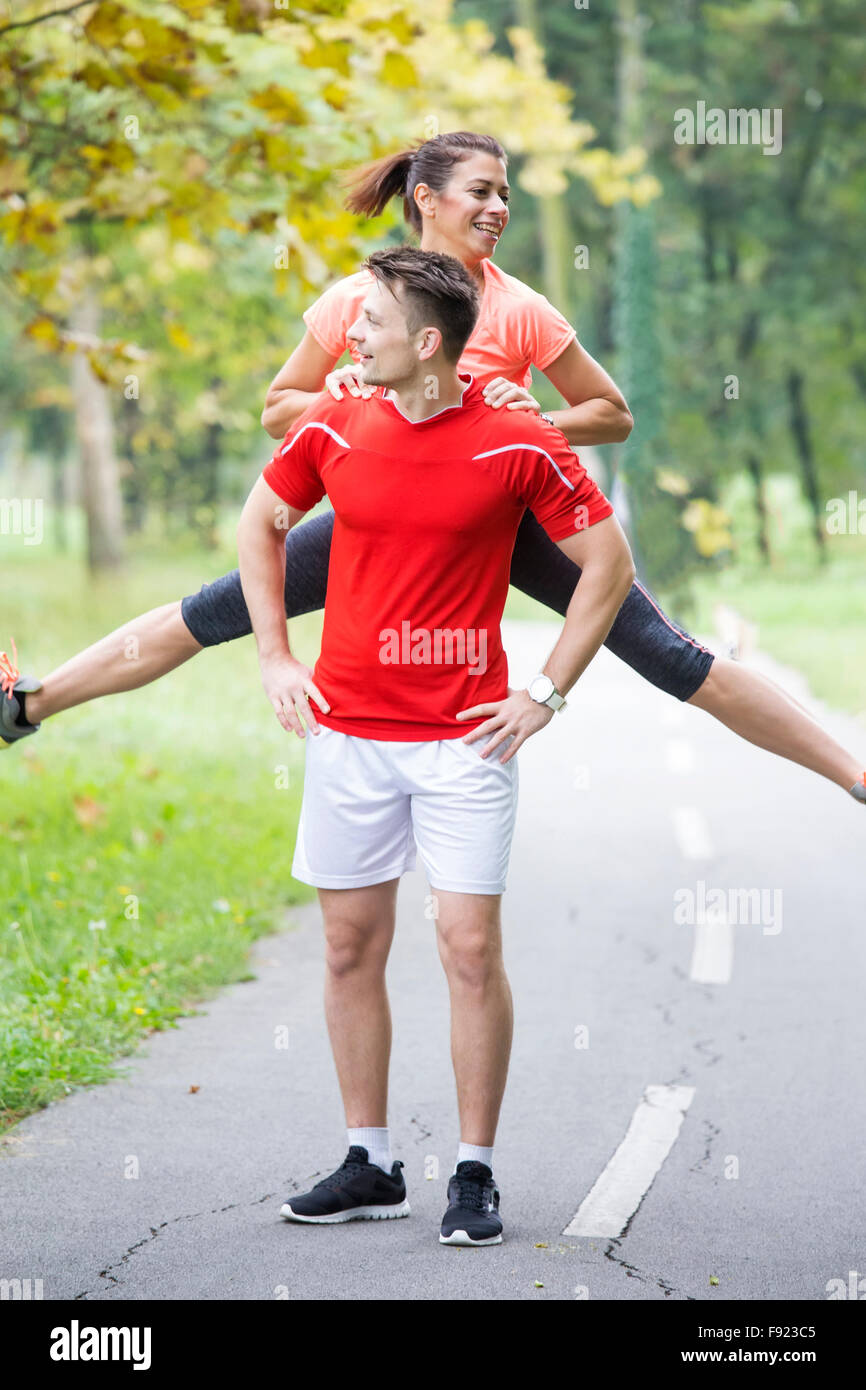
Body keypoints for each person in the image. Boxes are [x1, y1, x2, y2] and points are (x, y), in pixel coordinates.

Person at [2, 128, 863, 812]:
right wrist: (337, 394)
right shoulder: (359, 299)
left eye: (506, 196)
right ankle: (27, 705)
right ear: (428, 199)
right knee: (214, 611)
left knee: (670, 655)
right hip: (381, 512)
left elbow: (613, 414)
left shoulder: (522, 308)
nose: (499, 209)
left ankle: (855, 778)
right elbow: (277, 408)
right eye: (482, 192)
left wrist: (538, 416)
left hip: (507, 519)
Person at [236, 245, 635, 1245]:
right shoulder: (333, 421)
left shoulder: (517, 439)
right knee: (346, 946)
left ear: (423, 342)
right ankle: (368, 1159)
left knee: (465, 948)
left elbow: (606, 563)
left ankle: (472, 1169)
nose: (346, 334)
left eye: (365, 320)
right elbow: (260, 522)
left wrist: (545, 691)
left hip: (465, 744)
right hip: (349, 736)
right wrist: (278, 657)